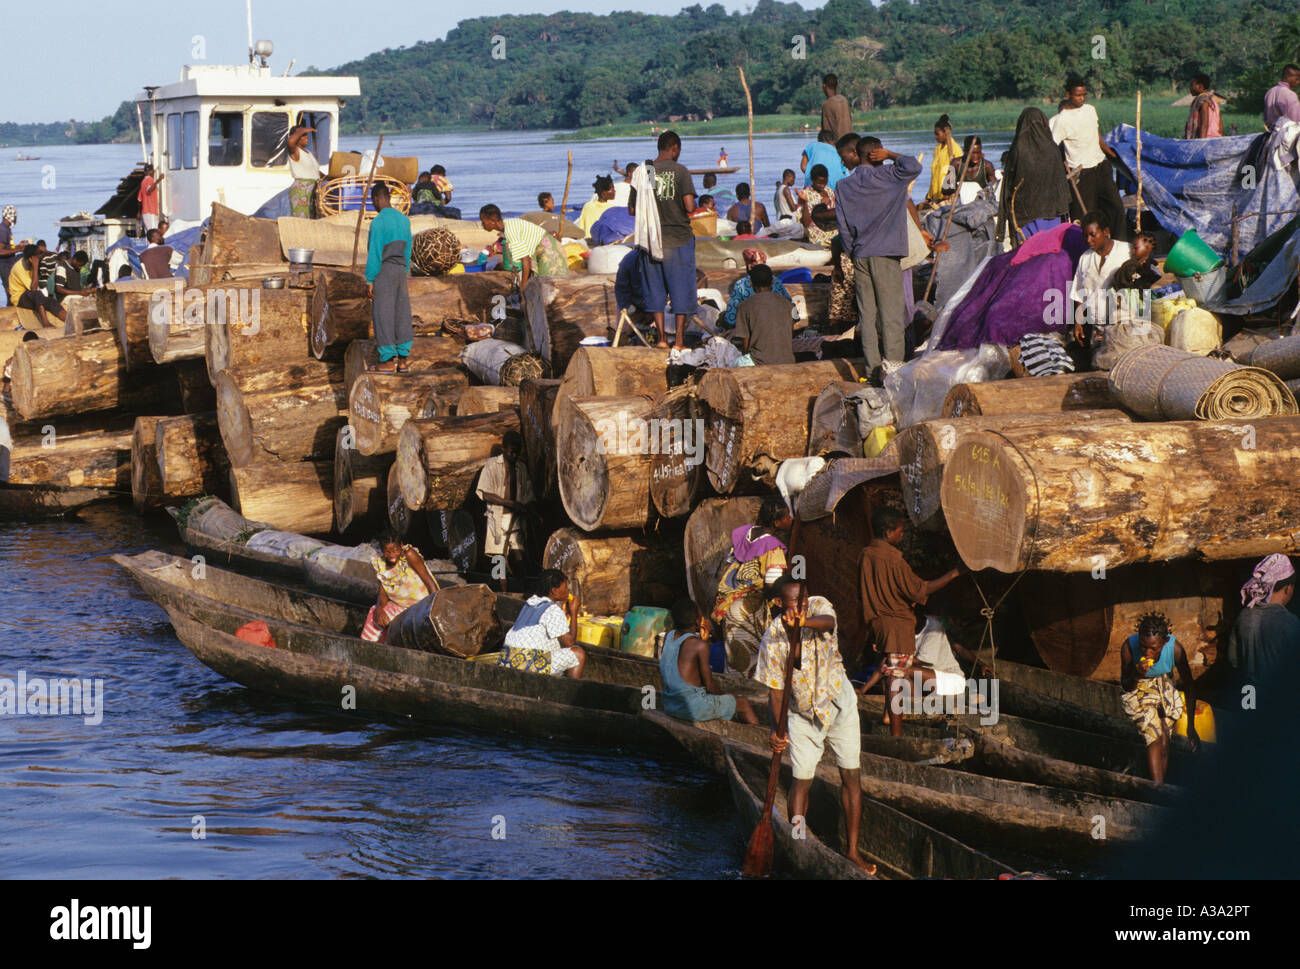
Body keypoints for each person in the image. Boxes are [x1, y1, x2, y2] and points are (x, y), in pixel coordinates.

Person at [758, 574, 873, 874]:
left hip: (838, 702)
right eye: (794, 604)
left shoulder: (819, 606)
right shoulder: (772, 638)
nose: (802, 607)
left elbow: (828, 622)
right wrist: (775, 728)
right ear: (780, 603)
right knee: (802, 780)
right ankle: (798, 844)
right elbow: (776, 690)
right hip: (802, 712)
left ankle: (852, 851)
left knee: (851, 776)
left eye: (804, 602)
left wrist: (803, 623)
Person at [858, 507, 962, 735]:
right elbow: (919, 590)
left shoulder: (866, 554)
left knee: (891, 670)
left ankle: (889, 715)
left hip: (879, 624)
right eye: (900, 531)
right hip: (897, 627)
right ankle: (896, 732)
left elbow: (865, 594)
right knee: (896, 676)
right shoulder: (894, 559)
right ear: (888, 532)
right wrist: (953, 574)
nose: (902, 535)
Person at [834, 136, 922, 377]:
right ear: (876, 154)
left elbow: (843, 228)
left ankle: (872, 370)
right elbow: (914, 166)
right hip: (886, 254)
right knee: (891, 316)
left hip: (860, 254)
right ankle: (893, 371)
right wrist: (891, 154)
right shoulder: (889, 177)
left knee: (868, 316)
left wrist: (854, 252)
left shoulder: (843, 186)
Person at [629, 131, 697, 349]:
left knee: (655, 292)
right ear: (675, 148)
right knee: (681, 291)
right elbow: (689, 206)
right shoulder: (680, 171)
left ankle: (660, 339)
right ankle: (678, 341)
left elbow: (632, 209)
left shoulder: (645, 171)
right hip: (677, 240)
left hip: (650, 242)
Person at [711, 493, 792, 674]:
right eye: (786, 516)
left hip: (730, 605)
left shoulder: (745, 534)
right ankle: (751, 699)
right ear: (777, 523)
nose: (790, 519)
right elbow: (773, 583)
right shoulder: (772, 546)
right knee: (751, 662)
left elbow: (727, 566)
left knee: (734, 660)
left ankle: (735, 696)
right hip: (749, 609)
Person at [1120, 612, 1200, 785]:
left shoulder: (1175, 649)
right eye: (1143, 646)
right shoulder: (1128, 647)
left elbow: (1189, 685)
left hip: (1162, 684)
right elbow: (1126, 686)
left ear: (1164, 642)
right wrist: (1136, 674)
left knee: (1165, 737)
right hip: (1137, 688)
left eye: (1154, 648)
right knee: (1154, 735)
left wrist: (1191, 727)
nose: (1148, 652)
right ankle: (1157, 789)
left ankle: (1160, 786)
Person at [660, 598, 759, 725]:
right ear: (698, 621)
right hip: (692, 709)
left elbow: (685, 665)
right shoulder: (700, 645)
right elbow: (709, 686)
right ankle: (758, 740)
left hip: (670, 705)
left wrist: (704, 640)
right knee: (743, 703)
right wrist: (727, 697)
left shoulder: (669, 636)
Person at [1050, 76, 1125, 240]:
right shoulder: (1062, 120)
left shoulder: (1090, 110)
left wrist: (1111, 154)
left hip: (1101, 167)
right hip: (1082, 174)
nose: (1082, 99)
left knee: (1116, 208)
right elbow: (1052, 147)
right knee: (1085, 217)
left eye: (1084, 95)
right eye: (1078, 95)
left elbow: (1097, 137)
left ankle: (1118, 245)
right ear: (1068, 94)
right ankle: (1083, 253)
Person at [996, 107, 1072, 245]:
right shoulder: (1052, 148)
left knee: (1026, 252)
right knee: (1050, 249)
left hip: (1024, 215)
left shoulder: (1017, 148)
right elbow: (1062, 185)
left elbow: (1008, 184)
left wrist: (1004, 217)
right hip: (1052, 213)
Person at [1228, 554, 1300, 689]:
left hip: (1249, 694)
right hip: (1276, 697)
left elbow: (1233, 660)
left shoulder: (1244, 615)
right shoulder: (1290, 623)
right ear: (1288, 588)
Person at [499, 569, 587, 679]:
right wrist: (574, 612)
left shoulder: (530, 602)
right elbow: (570, 642)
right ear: (554, 591)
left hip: (508, 660)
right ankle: (571, 689)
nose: (568, 592)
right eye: (565, 588)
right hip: (526, 663)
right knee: (578, 654)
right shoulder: (552, 609)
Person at [475, 430, 534, 592]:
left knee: (519, 555)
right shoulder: (492, 465)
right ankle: (500, 592)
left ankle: (524, 591)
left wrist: (527, 508)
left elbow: (529, 494)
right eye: (511, 451)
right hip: (498, 518)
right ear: (503, 449)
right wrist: (508, 503)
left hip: (515, 520)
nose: (514, 455)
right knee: (498, 559)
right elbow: (485, 492)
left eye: (517, 451)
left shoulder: (521, 468)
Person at [365, 183, 414, 374]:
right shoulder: (404, 220)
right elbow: (408, 250)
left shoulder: (378, 222)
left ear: (377, 199)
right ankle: (403, 360)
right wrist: (405, 271)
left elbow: (375, 254)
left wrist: (369, 280)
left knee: (382, 314)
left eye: (373, 201)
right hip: (401, 270)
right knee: (401, 313)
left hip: (384, 271)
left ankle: (386, 361)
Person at [360, 531, 441, 642]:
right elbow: (383, 590)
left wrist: (435, 607)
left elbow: (429, 581)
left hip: (422, 605)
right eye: (387, 552)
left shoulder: (409, 555)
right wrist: (379, 609)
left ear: (401, 546)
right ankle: (371, 647)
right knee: (375, 614)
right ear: (382, 550)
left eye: (395, 550)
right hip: (401, 604)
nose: (392, 555)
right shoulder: (379, 562)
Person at [478, 203, 570, 294]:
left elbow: (525, 260)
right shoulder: (509, 224)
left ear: (492, 220)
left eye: (483, 221)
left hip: (547, 251)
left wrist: (523, 285)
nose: (482, 224)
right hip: (543, 249)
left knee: (548, 289)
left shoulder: (510, 231)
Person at [1070, 210, 1131, 344]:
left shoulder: (1127, 251)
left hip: (1124, 326)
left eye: (1093, 235)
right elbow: (1079, 293)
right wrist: (1078, 322)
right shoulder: (1085, 258)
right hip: (1097, 327)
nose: (1088, 240)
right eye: (1085, 236)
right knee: (1100, 361)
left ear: (1106, 231)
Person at [733, 264, 795, 366]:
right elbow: (791, 329)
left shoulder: (744, 306)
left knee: (733, 364)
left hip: (759, 362)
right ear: (772, 282)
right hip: (788, 360)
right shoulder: (789, 303)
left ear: (751, 283)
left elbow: (745, 341)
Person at [721, 248, 791, 329]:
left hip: (752, 332)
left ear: (748, 266)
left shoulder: (741, 285)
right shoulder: (776, 282)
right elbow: (791, 307)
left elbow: (730, 319)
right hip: (779, 330)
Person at [8, 245, 65, 328]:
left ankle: (69, 320)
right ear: (30, 259)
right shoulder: (19, 267)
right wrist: (35, 267)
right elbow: (33, 289)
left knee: (51, 301)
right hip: (19, 298)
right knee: (37, 294)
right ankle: (45, 323)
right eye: (37, 259)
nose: (39, 261)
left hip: (29, 297)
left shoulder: (32, 264)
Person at [943, 134, 995, 199]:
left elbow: (995, 189)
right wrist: (955, 190)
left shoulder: (987, 166)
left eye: (978, 152)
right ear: (964, 151)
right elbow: (945, 190)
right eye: (973, 153)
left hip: (981, 203)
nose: (976, 156)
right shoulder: (956, 164)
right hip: (960, 202)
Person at [925, 115, 962, 206]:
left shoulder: (955, 149)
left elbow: (958, 174)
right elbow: (934, 175)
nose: (935, 137)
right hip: (935, 197)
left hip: (947, 197)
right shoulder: (937, 149)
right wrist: (929, 196)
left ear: (946, 133)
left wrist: (950, 192)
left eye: (937, 134)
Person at [286, 124, 320, 218]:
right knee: (300, 219)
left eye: (306, 134)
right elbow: (290, 142)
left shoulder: (308, 152)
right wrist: (302, 130)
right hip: (301, 190)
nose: (306, 137)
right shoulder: (295, 151)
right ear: (296, 137)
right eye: (303, 135)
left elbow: (316, 172)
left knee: (311, 217)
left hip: (312, 189)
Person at [798, 165, 836, 247]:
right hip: (816, 237)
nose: (822, 186)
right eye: (819, 183)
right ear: (812, 179)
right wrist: (805, 202)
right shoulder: (806, 193)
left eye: (824, 183)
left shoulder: (829, 191)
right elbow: (806, 223)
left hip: (833, 233)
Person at [577, 176, 618, 240]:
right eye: (612, 188)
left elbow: (581, 227)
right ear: (604, 192)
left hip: (588, 240)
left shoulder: (587, 206)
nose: (614, 191)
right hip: (602, 242)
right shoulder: (612, 209)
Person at [1184, 74, 1222, 139]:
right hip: (1215, 138)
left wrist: (1201, 142)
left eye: (1192, 85)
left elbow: (1204, 124)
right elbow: (1220, 122)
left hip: (1206, 139)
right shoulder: (1212, 100)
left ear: (1200, 86)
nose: (1190, 88)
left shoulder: (1203, 101)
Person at [819, 74, 853, 142]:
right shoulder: (844, 100)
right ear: (837, 86)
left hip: (838, 145)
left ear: (824, 86)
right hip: (850, 141)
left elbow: (826, 131)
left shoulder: (827, 105)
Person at [0, 206, 19, 306]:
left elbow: (8, 247)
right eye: (15, 216)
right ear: (10, 216)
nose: (16, 218)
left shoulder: (6, 229)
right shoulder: (3, 230)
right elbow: (1, 251)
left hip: (9, 265)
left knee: (12, 293)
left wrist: (18, 246)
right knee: (10, 294)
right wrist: (18, 249)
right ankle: (8, 317)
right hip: (5, 266)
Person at [137, 164, 164, 233]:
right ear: (152, 172)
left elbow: (139, 199)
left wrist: (139, 213)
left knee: (148, 233)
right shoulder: (150, 180)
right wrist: (159, 179)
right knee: (153, 232)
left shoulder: (143, 182)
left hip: (145, 212)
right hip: (150, 211)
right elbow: (149, 190)